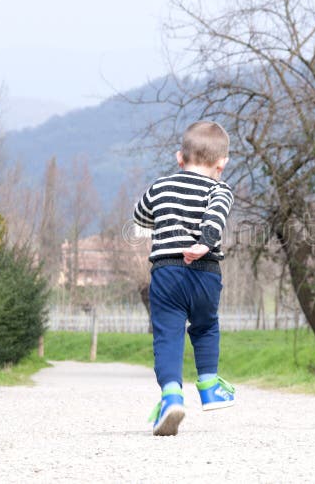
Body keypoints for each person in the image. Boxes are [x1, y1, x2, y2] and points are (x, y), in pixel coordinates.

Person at [133, 120, 236, 436]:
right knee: (205, 325)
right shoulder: (219, 189)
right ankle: (208, 385)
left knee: (168, 334)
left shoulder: (160, 186)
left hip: (166, 273)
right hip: (205, 274)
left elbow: (140, 216)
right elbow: (217, 215)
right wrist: (204, 241)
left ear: (180, 158)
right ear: (222, 163)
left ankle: (172, 397)